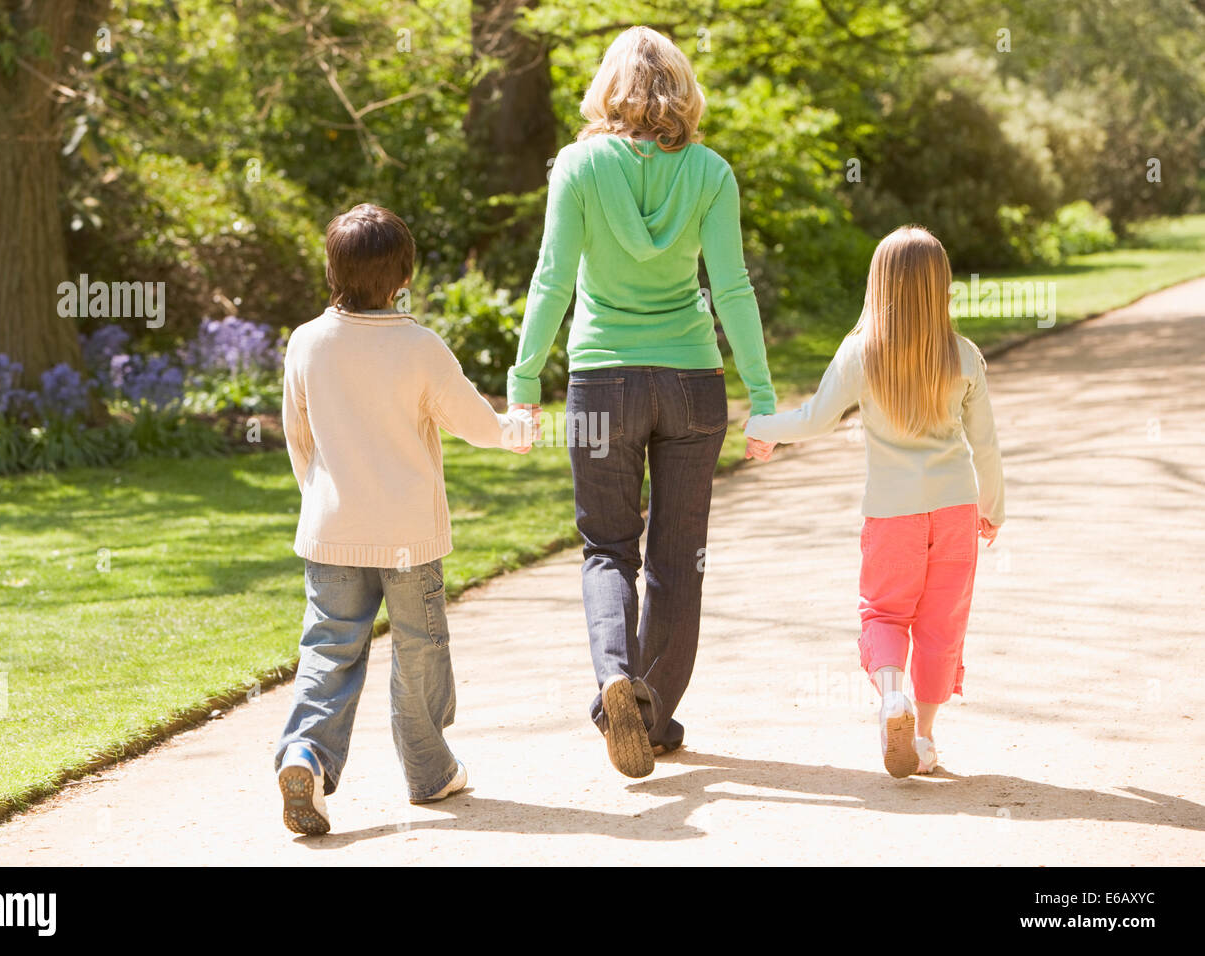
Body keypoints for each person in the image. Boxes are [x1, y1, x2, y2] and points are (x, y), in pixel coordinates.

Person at [506, 26, 778, 778]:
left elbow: (552, 278)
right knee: (677, 559)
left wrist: (524, 383)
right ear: (683, 91)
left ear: (607, 89)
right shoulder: (711, 172)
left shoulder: (579, 165)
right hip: (693, 380)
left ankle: (616, 682)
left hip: (603, 380)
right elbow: (731, 286)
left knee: (606, 549)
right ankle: (650, 715)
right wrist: (763, 395)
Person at [274, 203, 534, 834]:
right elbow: (473, 422)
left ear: (331, 270)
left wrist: (319, 493)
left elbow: (297, 436)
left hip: (331, 531)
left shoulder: (307, 341)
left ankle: (305, 752)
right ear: (403, 278)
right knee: (420, 648)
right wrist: (512, 431)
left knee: (329, 649)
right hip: (408, 540)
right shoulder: (419, 346)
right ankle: (429, 771)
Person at [745, 225, 1005, 778]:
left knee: (886, 612)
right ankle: (927, 739)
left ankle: (893, 699)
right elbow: (985, 443)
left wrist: (763, 426)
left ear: (878, 283)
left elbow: (815, 419)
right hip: (956, 510)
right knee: (942, 622)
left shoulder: (861, 352)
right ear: (942, 286)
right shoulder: (964, 356)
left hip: (892, 515)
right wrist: (993, 506)